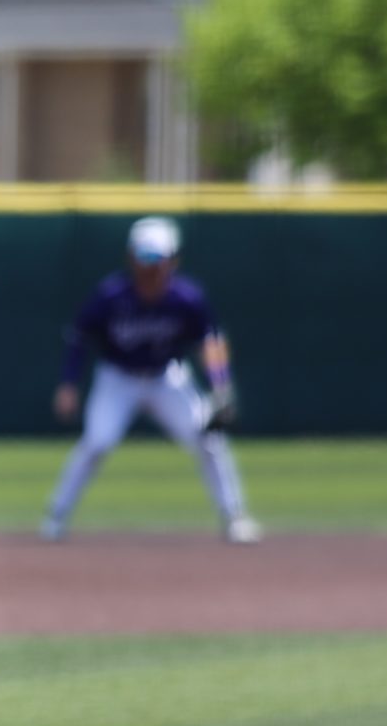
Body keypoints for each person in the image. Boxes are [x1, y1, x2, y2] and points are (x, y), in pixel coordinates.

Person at [40, 216, 260, 545]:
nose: (151, 268)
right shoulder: (110, 296)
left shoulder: (187, 298)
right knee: (97, 442)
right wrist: (69, 383)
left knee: (209, 439)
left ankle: (234, 516)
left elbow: (210, 342)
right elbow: (79, 336)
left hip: (167, 377)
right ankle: (56, 515)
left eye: (158, 259)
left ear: (174, 260)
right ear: (131, 258)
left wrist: (221, 385)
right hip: (118, 379)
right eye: (145, 258)